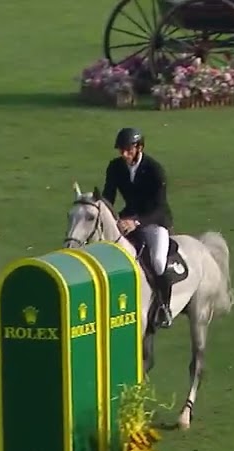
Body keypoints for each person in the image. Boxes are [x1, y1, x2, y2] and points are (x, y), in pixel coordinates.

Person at [101, 127, 175, 328]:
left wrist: (136, 222)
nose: (124, 154)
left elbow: (159, 207)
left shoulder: (154, 170)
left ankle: (164, 307)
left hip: (154, 220)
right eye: (121, 150)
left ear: (139, 147)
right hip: (128, 217)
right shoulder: (115, 167)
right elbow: (108, 197)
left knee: (158, 262)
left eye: (128, 150)